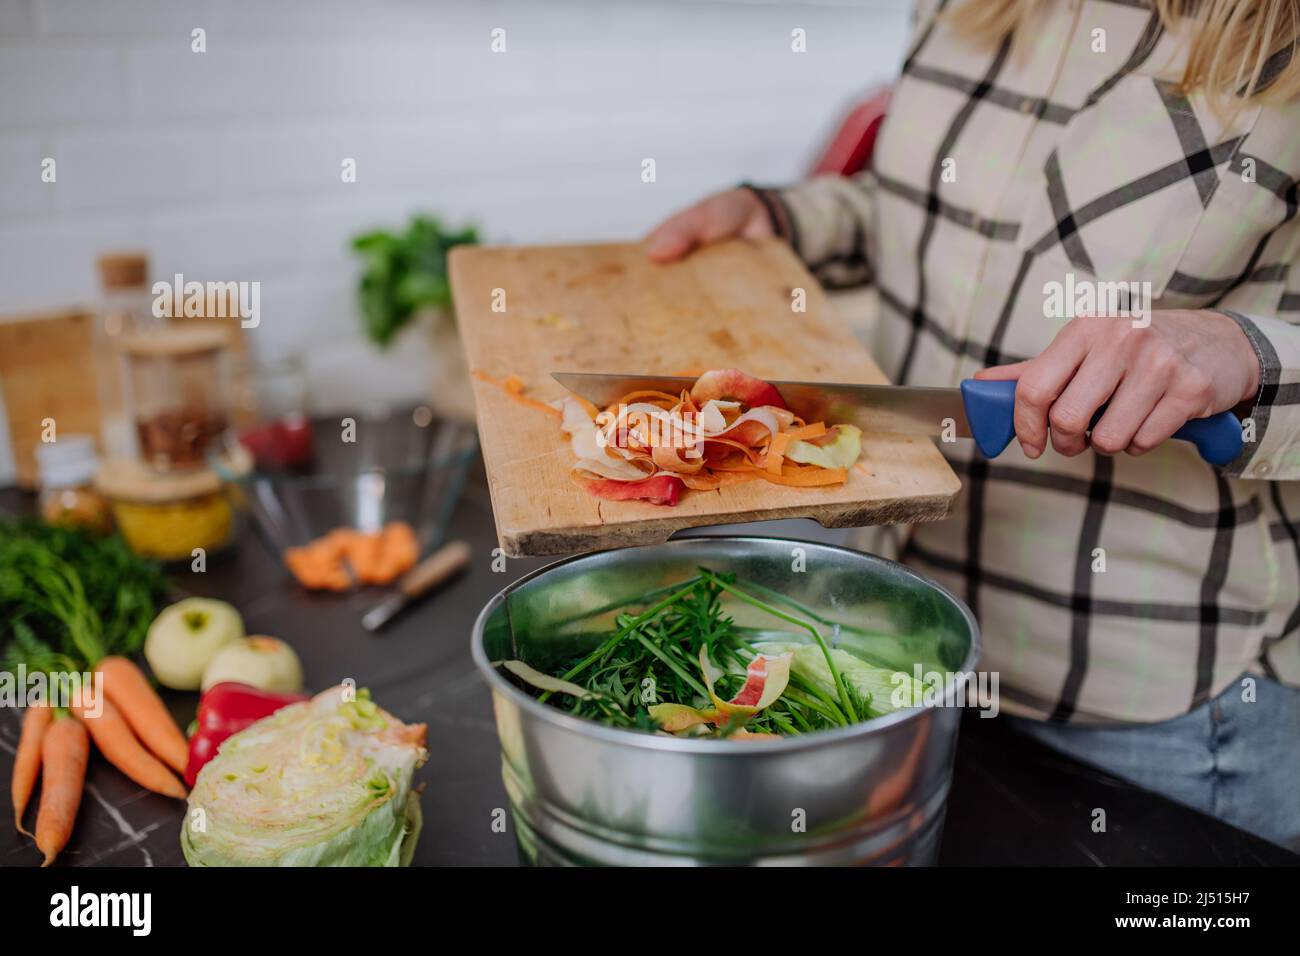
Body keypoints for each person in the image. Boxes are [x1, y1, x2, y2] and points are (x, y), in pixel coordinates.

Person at [646, 0, 1300, 850]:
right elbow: (920, 210)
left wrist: (1244, 355)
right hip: (893, 650)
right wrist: (783, 221)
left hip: (1163, 723)